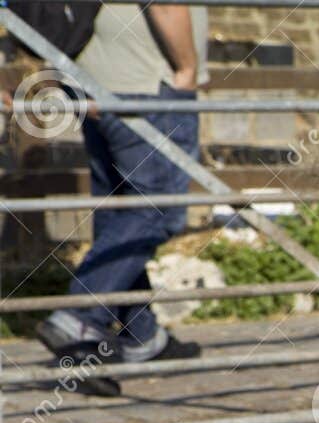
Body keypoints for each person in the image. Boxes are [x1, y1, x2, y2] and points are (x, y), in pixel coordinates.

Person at [35, 3, 208, 389]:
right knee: (158, 207)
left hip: (91, 79)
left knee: (121, 208)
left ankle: (139, 334)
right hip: (144, 82)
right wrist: (187, 69)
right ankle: (81, 316)